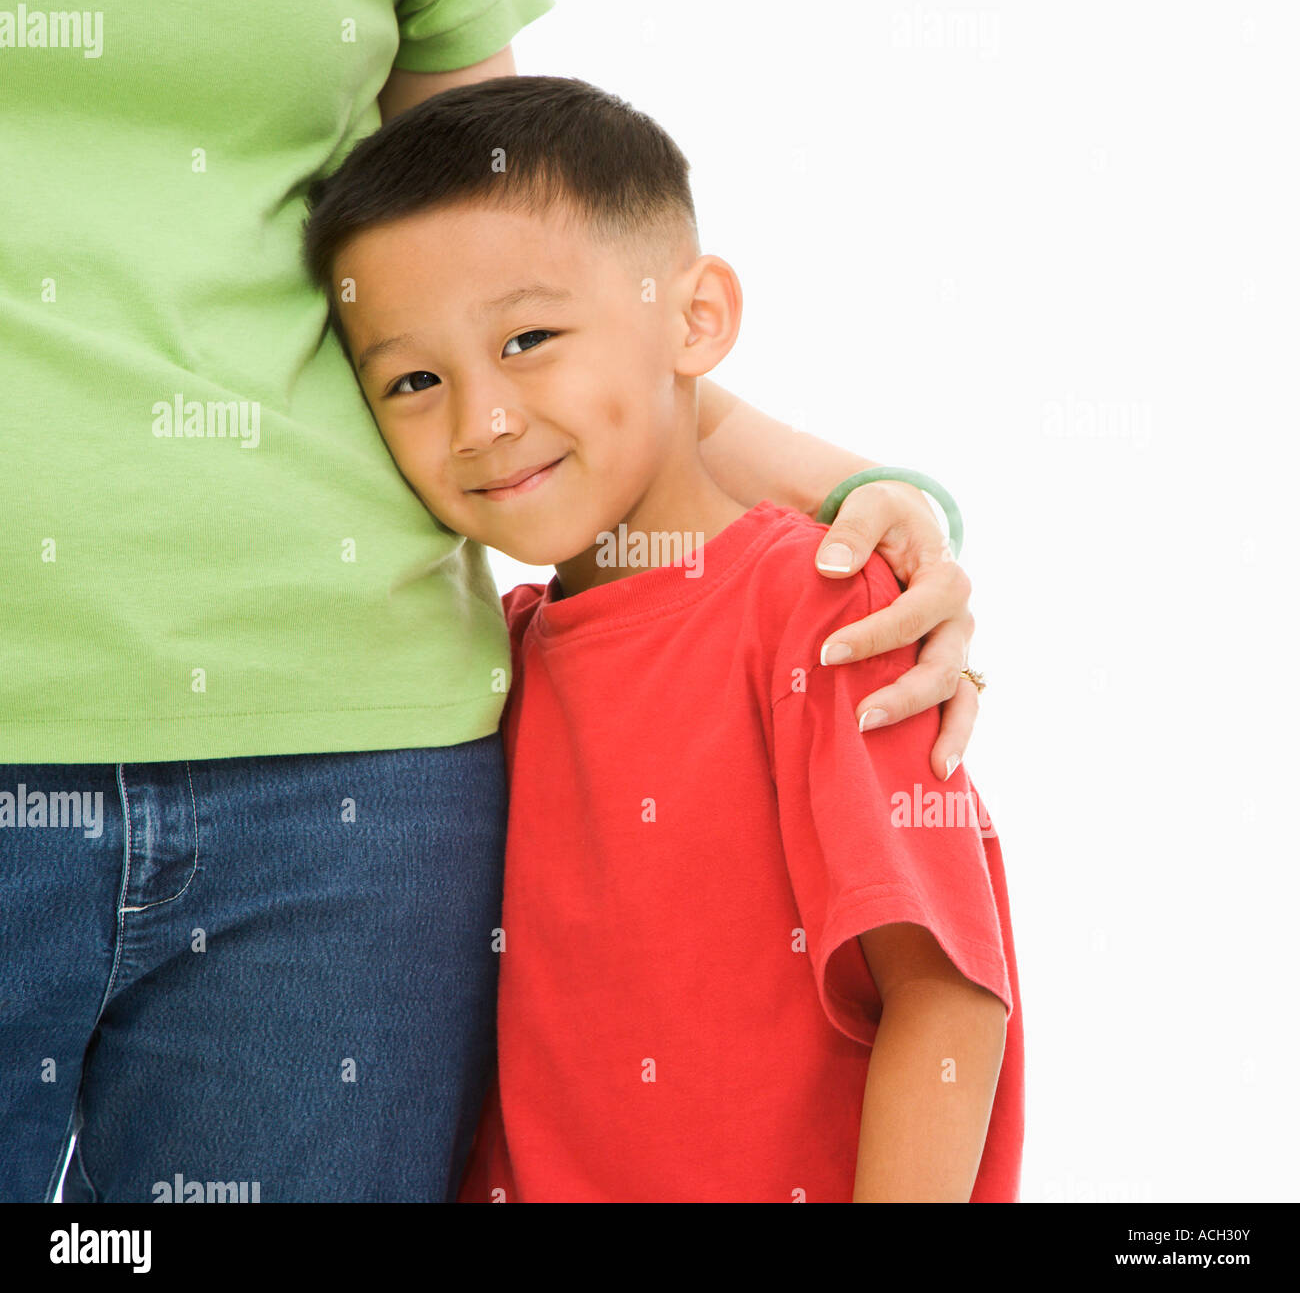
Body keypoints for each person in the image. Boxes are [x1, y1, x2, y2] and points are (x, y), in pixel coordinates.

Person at [2, 0, 977, 1204]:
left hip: (362, 752)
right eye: (412, 382)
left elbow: (523, 254)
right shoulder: (552, 648)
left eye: (513, 362)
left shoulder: (800, 615)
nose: (482, 414)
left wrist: (864, 494)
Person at [303, 75, 1022, 1202]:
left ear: (696, 320)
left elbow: (945, 994)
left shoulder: (823, 604)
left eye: (530, 337)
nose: (480, 420)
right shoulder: (488, 664)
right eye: (413, 379)